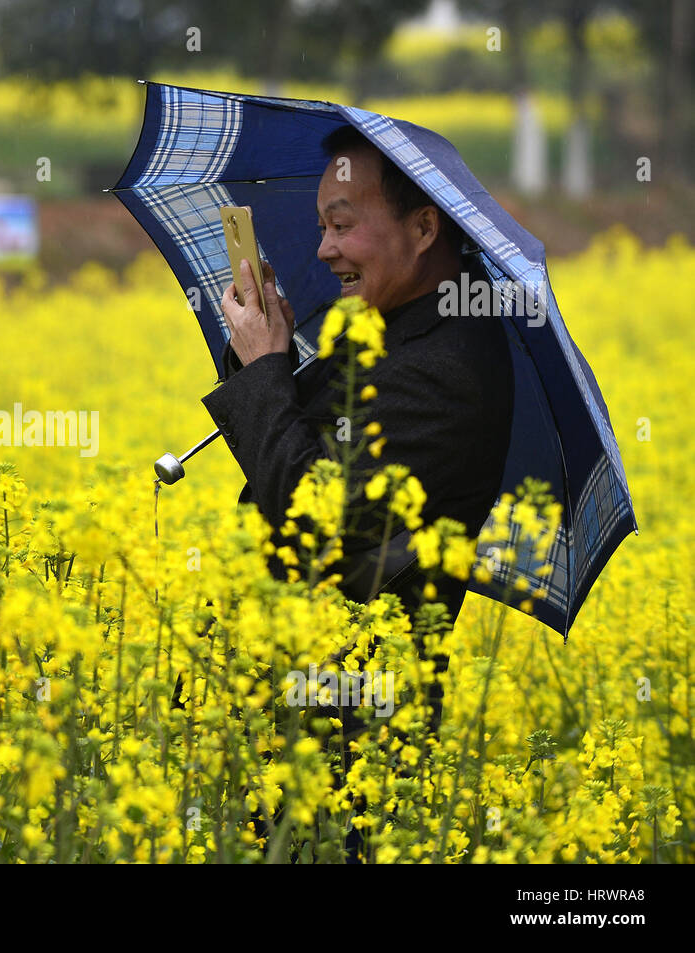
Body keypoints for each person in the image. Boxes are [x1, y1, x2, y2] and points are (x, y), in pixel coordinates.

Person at [198, 125, 516, 859]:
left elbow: (321, 518)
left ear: (424, 225)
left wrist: (263, 371)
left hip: (352, 726)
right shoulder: (399, 329)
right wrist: (262, 353)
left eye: (342, 225)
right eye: (320, 228)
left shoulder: (447, 364)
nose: (321, 250)